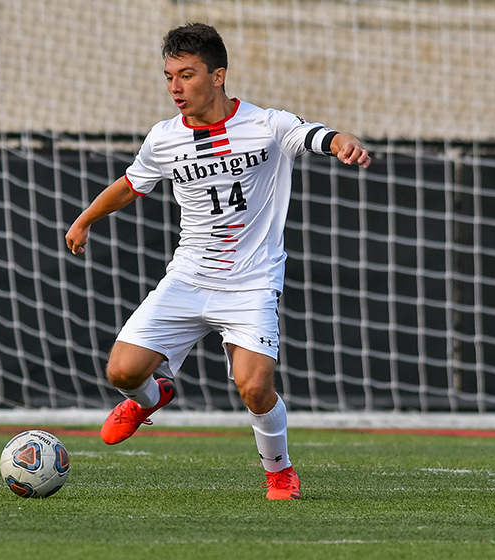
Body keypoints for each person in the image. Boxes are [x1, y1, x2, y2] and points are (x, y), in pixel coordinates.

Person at [65, 23, 371, 500]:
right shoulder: (163, 138)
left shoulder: (266, 124)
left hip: (250, 283)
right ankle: (153, 397)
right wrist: (85, 219)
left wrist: (341, 141)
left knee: (253, 387)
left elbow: (315, 136)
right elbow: (131, 184)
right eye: (169, 76)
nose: (175, 87)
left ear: (218, 75)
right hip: (188, 277)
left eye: (186, 75)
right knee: (122, 373)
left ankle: (279, 471)